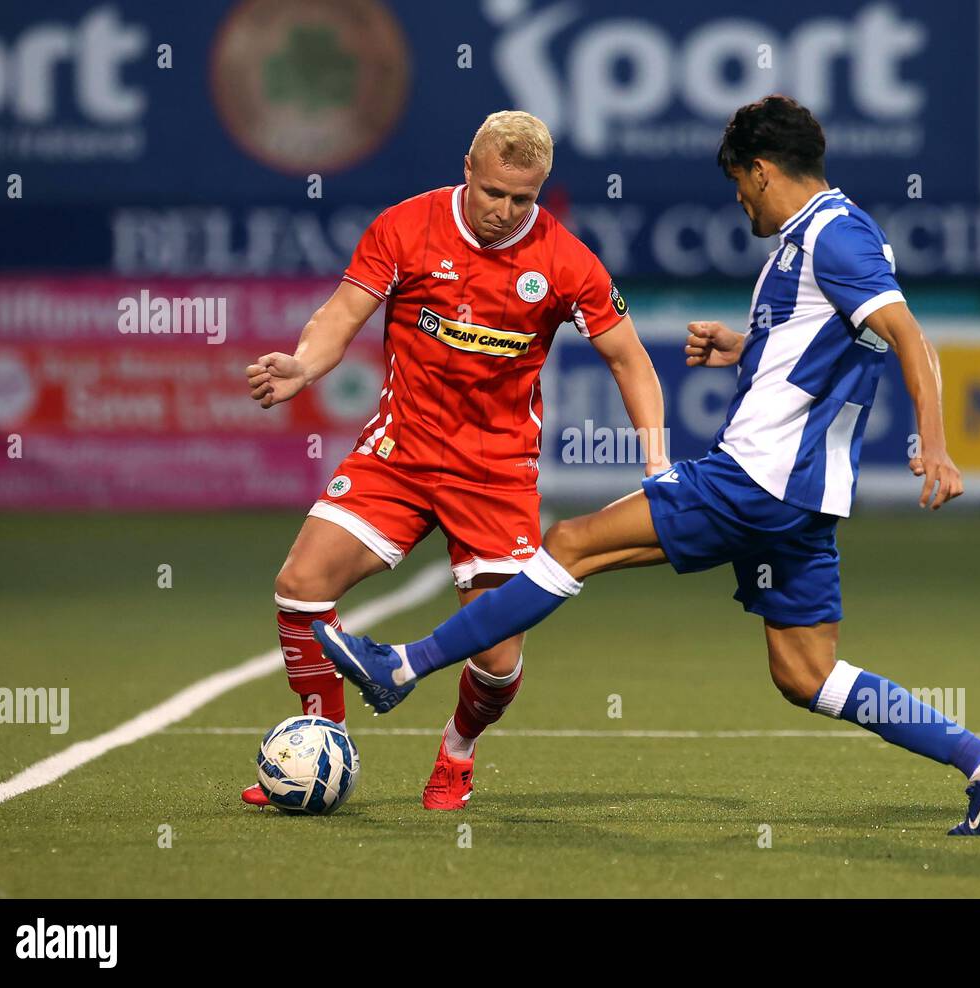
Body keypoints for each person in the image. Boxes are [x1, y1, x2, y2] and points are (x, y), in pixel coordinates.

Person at [316, 96, 980, 836]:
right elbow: (829, 341)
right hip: (806, 496)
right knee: (806, 674)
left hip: (756, 479)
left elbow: (907, 337)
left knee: (569, 544)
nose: (737, 197)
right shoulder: (822, 237)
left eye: (737, 181)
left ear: (761, 172)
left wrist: (936, 444)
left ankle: (401, 666)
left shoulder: (834, 238)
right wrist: (740, 345)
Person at [243, 110, 668, 810]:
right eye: (493, 191)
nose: (504, 211)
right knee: (300, 584)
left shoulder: (565, 261)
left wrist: (655, 463)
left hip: (497, 473)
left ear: (541, 192)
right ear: (467, 170)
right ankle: (322, 744)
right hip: (400, 453)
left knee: (497, 663)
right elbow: (344, 311)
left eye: (521, 199)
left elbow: (631, 360)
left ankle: (458, 750)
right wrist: (305, 365)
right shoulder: (406, 227)